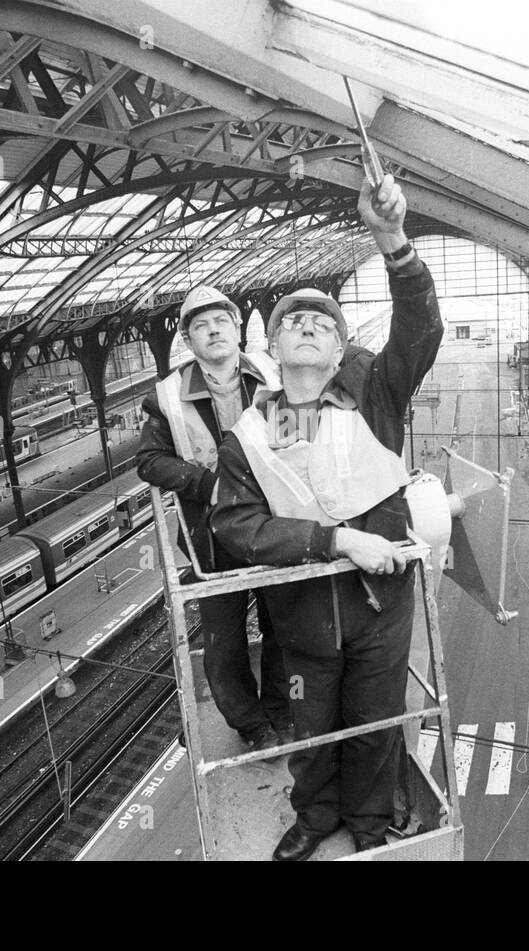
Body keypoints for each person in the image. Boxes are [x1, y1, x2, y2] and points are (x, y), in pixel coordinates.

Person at [211, 171, 444, 860]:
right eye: (293, 323)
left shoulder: (375, 396)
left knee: (374, 721)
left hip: (381, 604)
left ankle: (369, 828)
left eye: (322, 324)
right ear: (274, 351)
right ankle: (314, 818)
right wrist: (337, 539)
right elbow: (238, 525)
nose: (308, 327)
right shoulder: (250, 435)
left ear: (339, 351)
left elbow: (420, 330)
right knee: (312, 724)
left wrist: (391, 239)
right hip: (305, 608)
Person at [136, 285, 293, 754]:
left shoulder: (274, 376)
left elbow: (302, 438)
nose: (213, 331)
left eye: (220, 322)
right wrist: (203, 483)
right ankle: (251, 725)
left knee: (283, 623)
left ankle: (282, 711)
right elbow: (150, 461)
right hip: (213, 536)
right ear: (188, 338)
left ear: (237, 327)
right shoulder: (167, 397)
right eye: (201, 326)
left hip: (273, 524)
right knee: (224, 642)